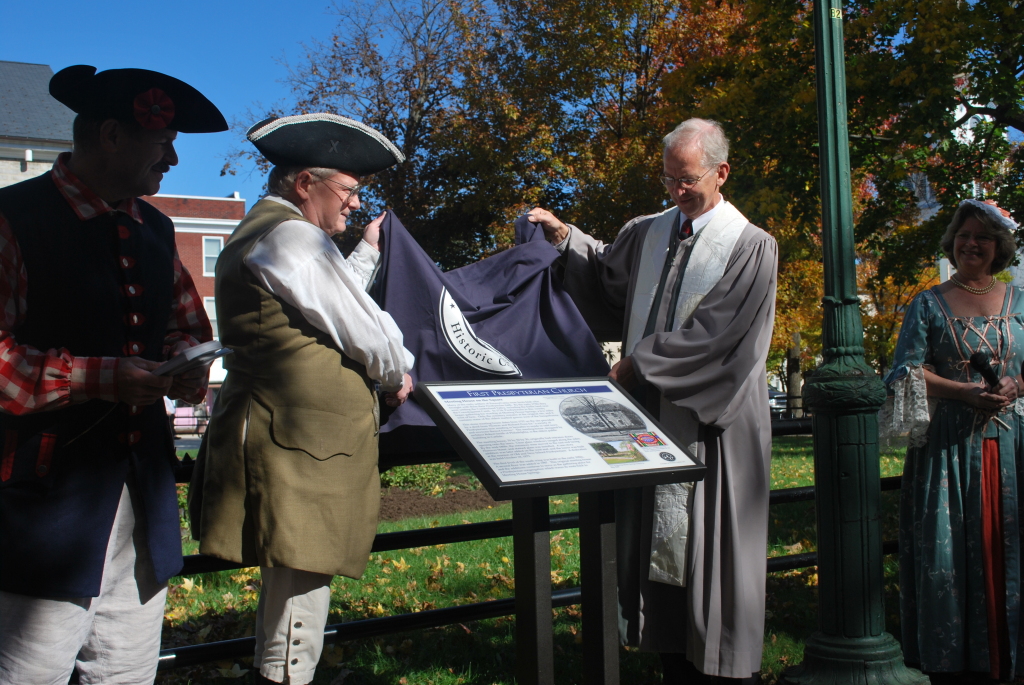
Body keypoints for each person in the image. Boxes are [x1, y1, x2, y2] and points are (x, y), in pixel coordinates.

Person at [526, 118, 777, 683]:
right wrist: (566, 238)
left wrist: (641, 363)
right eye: (668, 180)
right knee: (658, 574)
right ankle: (673, 662)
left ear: (721, 172)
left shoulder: (752, 246)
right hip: (653, 423)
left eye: (687, 181)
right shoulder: (651, 230)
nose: (676, 192)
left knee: (712, 560)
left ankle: (723, 668)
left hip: (713, 430)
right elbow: (609, 278)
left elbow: (722, 337)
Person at [0, 65, 225, 684]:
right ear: (111, 136)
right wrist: (101, 378)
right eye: (163, 142)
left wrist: (185, 369)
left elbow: (187, 326)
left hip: (139, 506)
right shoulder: (12, 217)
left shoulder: (156, 227)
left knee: (126, 673)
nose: (174, 159)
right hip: (43, 515)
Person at [188, 113, 414, 685]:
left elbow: (324, 302)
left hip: (293, 446)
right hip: (300, 451)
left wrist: (364, 255)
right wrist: (396, 375)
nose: (355, 204)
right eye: (348, 190)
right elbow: (370, 333)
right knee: (298, 605)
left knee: (294, 595)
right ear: (303, 183)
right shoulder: (292, 236)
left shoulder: (277, 234)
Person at [881, 199, 1023, 681]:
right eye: (964, 235)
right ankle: (953, 662)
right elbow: (904, 371)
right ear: (952, 242)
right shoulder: (928, 302)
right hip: (949, 449)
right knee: (950, 550)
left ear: (998, 246)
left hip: (1012, 447)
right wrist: (963, 391)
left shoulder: (1020, 301)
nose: (971, 244)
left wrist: (1015, 384)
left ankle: (1011, 656)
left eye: (982, 236)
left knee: (1010, 540)